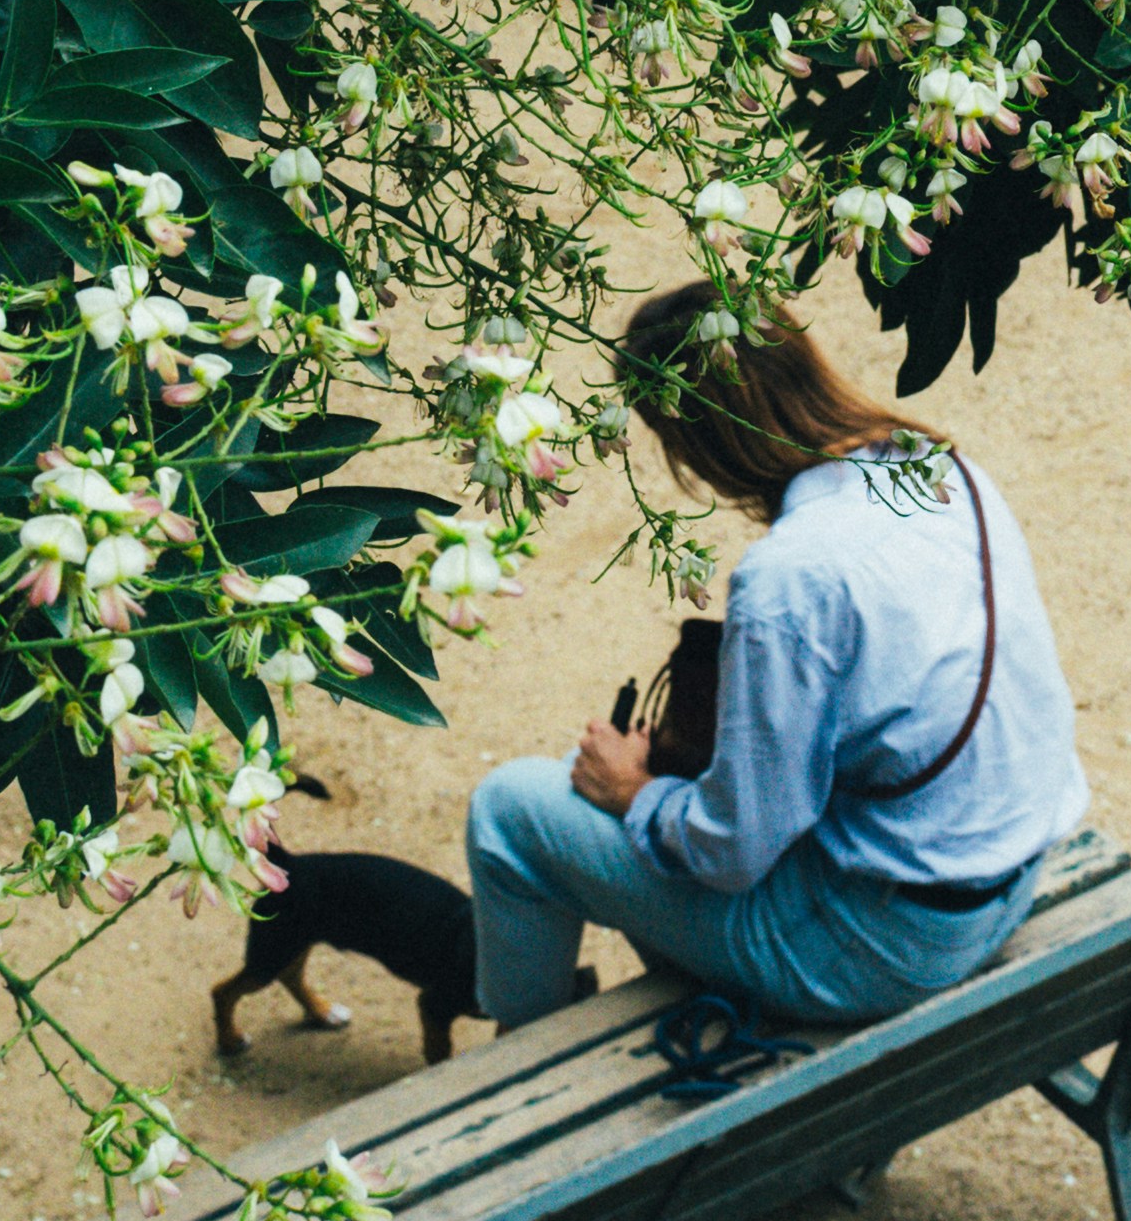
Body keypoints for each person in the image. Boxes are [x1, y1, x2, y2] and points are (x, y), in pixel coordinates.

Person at [465, 284, 1087, 1032]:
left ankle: (519, 1061)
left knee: (508, 810)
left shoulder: (788, 580)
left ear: (694, 440)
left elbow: (735, 852)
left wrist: (633, 791)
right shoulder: (942, 469)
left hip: (880, 948)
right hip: (1008, 879)